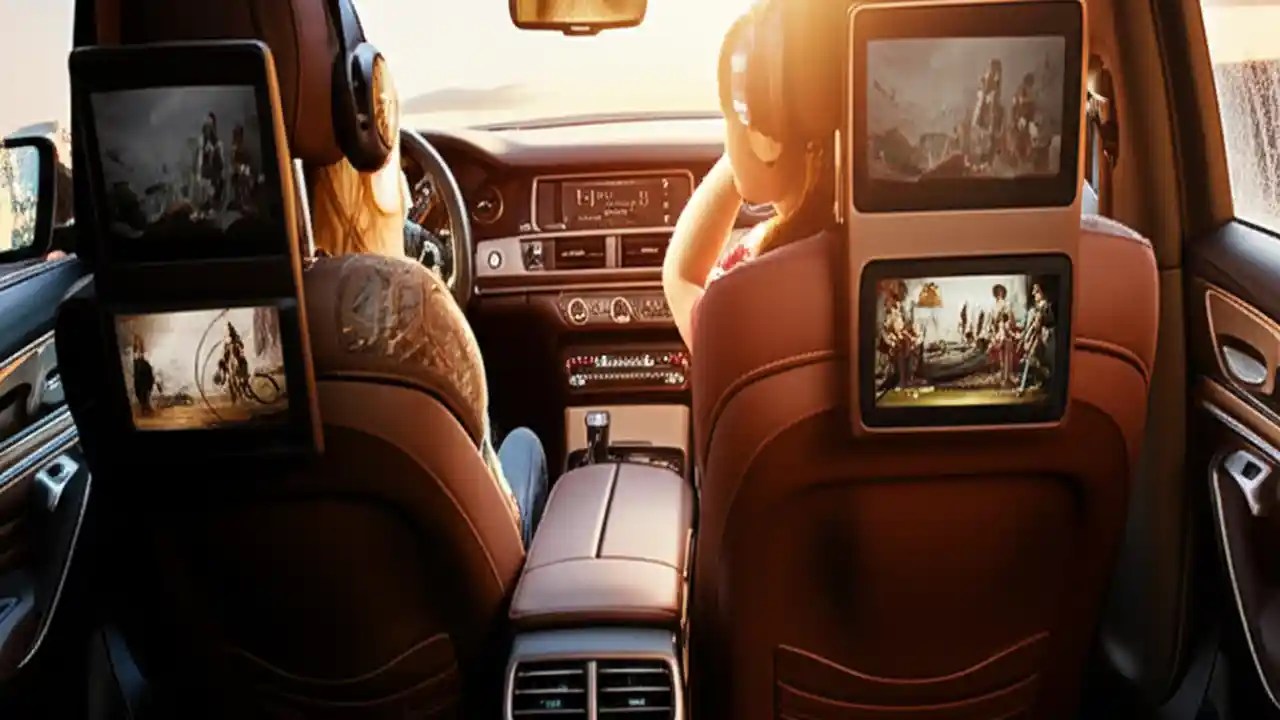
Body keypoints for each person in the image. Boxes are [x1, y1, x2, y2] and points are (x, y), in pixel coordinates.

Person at [308, 75, 549, 547]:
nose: (401, 181)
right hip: (452, 607)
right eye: (395, 164)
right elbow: (494, 520)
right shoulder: (422, 324)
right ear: (377, 188)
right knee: (524, 445)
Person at [663, 4, 835, 351]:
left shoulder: (745, 290)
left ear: (764, 138)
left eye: (730, 118)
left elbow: (681, 276)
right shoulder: (877, 246)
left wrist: (752, 147)